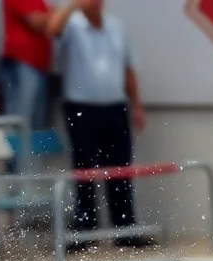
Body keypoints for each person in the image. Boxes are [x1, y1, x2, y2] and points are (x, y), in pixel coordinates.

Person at [48, 0, 146, 246]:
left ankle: (125, 228)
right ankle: (85, 227)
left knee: (121, 167)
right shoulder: (71, 26)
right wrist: (73, 5)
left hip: (115, 107)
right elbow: (51, 29)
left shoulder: (116, 27)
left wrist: (137, 105)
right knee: (85, 168)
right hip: (82, 108)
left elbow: (128, 68)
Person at [0, 0, 52, 132]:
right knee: (21, 122)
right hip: (23, 62)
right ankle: (17, 152)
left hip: (35, 65)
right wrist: (64, 11)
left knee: (35, 125)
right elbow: (36, 21)